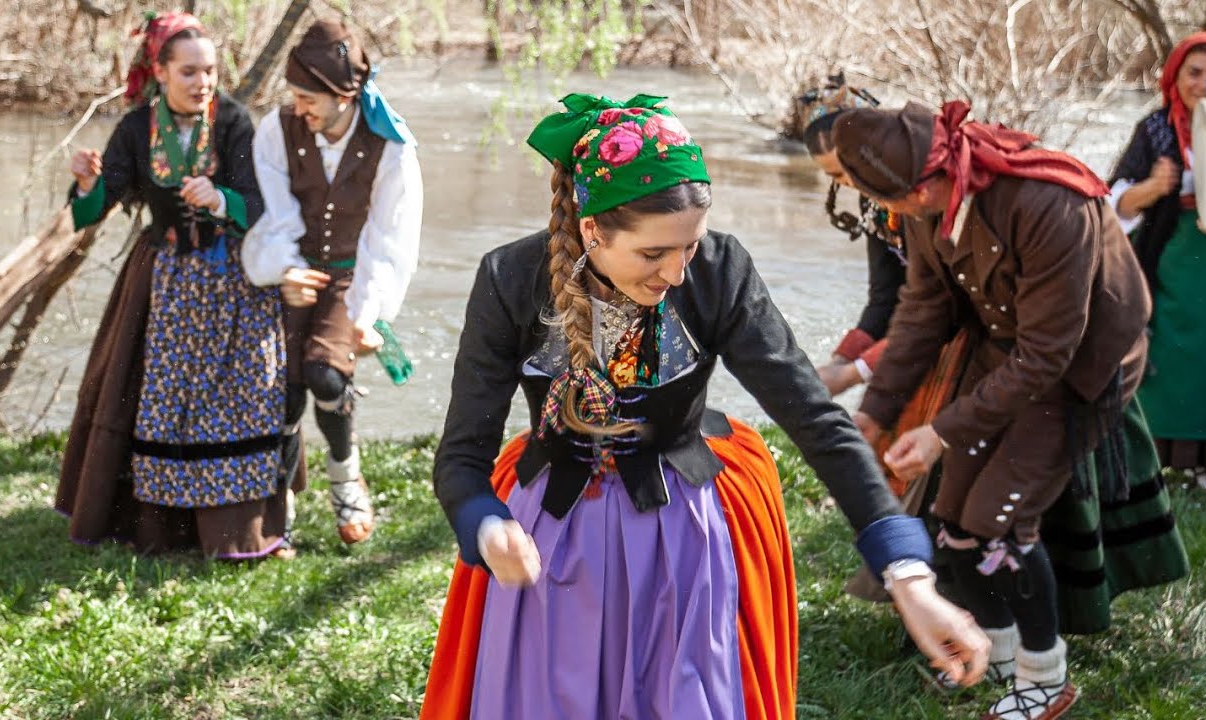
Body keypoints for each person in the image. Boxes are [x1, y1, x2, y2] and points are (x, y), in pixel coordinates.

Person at [418, 93, 989, 720]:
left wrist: (907, 572)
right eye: (652, 254)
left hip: (682, 534)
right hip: (550, 536)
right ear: (592, 230)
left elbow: (816, 420)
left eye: (689, 246)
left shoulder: (719, 270)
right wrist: (486, 524)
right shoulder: (509, 277)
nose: (677, 274)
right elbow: (462, 456)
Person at [835, 101, 1189, 719]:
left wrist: (941, 431)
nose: (898, 213)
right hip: (1003, 351)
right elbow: (922, 310)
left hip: (1082, 366)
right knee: (954, 518)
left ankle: (1046, 678)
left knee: (999, 522)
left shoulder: (1051, 203)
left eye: (896, 201)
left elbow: (1050, 354)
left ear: (923, 182)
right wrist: (876, 411)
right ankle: (993, 652)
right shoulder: (924, 206)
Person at [53, 11, 291, 560]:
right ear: (160, 72)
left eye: (209, 71)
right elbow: (92, 211)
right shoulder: (136, 129)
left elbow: (262, 205)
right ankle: (159, 529)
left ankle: (235, 529)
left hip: (233, 283)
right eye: (188, 71)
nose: (202, 82)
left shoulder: (234, 122)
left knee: (239, 398)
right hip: (162, 282)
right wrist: (86, 184)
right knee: (157, 399)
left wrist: (223, 200)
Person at [242, 19, 424, 545]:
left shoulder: (391, 148)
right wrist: (285, 271)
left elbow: (390, 239)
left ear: (344, 96)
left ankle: (346, 478)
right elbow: (272, 214)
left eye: (309, 98)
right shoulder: (276, 130)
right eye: (295, 96)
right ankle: (279, 502)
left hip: (352, 275)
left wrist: (369, 313)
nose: (299, 108)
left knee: (324, 375)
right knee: (282, 385)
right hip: (294, 266)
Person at [802, 93, 973, 604]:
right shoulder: (877, 206)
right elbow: (885, 300)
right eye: (836, 178)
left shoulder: (925, 193)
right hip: (918, 336)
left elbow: (946, 308)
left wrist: (856, 370)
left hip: (966, 341)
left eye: (848, 170)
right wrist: (838, 362)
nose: (850, 184)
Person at [1108, 30, 1206, 494]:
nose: (1205, 83)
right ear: (1175, 77)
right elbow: (1116, 201)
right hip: (1167, 259)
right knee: (1163, 355)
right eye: (1194, 73)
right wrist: (1153, 188)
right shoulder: (1155, 130)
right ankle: (1153, 460)